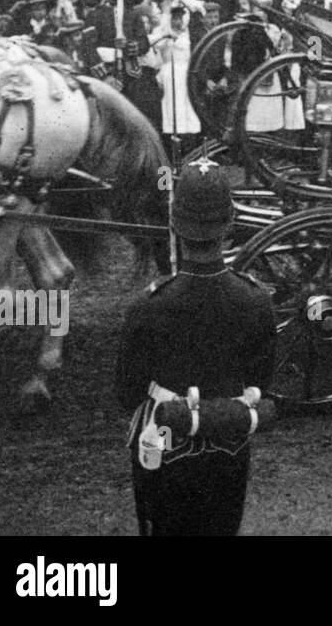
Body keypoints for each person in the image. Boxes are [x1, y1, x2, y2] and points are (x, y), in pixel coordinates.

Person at [115, 159, 277, 536]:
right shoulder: (256, 301)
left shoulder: (149, 305)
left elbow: (127, 393)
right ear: (231, 222)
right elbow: (260, 382)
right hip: (230, 447)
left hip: (166, 450)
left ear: (174, 222)